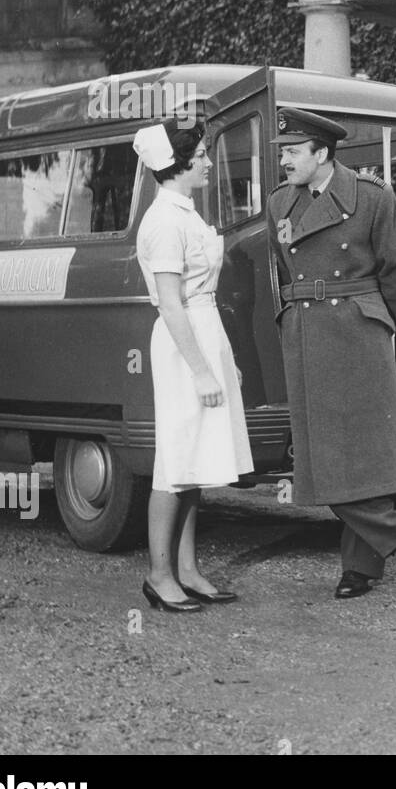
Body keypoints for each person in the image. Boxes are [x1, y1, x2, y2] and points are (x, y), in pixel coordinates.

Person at [266, 108, 396, 598]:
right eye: (283, 153)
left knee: (367, 455)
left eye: (293, 152)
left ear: (322, 153)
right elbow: (282, 272)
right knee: (322, 457)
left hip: (356, 333)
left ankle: (360, 567)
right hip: (307, 336)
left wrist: (376, 321)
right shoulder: (280, 204)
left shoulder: (372, 197)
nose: (285, 162)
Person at [133, 120, 253, 612]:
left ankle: (187, 570)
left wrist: (223, 361)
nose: (207, 161)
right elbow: (171, 304)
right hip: (183, 347)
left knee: (196, 460)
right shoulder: (164, 221)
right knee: (176, 460)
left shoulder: (186, 214)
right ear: (178, 163)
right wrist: (202, 370)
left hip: (204, 337)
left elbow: (201, 299)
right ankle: (160, 575)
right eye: (200, 154)